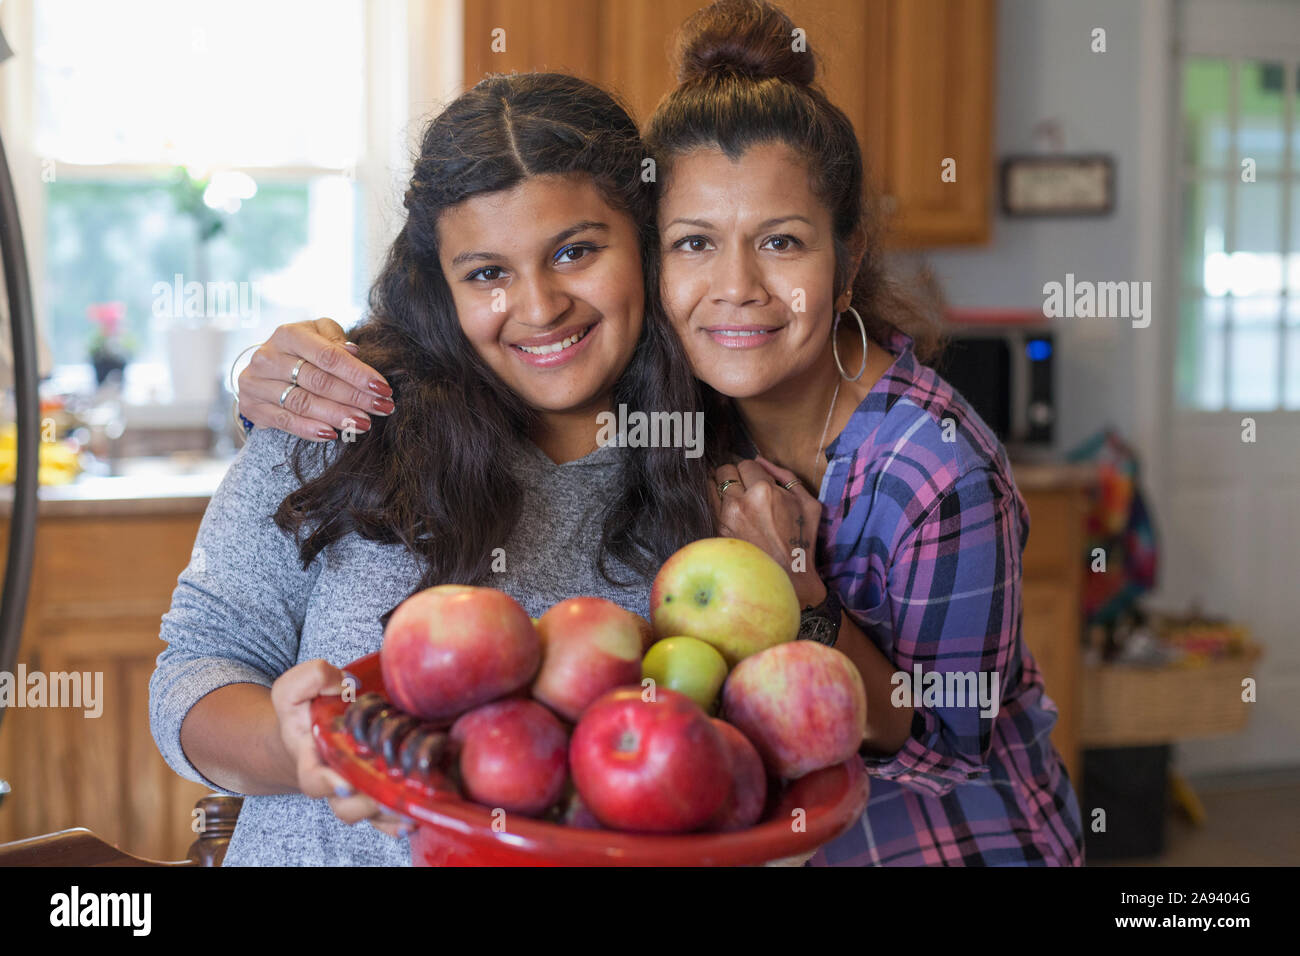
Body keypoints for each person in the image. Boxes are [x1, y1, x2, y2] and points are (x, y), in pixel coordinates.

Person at [241, 0, 1085, 866]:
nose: (736, 288)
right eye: (693, 244)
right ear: (653, 256)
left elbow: (946, 747)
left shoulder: (934, 467)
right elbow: (487, 349)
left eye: (783, 242)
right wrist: (282, 375)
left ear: (849, 255)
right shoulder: (687, 404)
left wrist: (802, 592)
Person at [150, 71, 714, 866]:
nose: (540, 305)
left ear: (648, 245)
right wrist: (298, 749)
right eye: (487, 272)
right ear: (440, 285)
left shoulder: (712, 460)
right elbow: (194, 670)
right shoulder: (338, 414)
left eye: (576, 251)